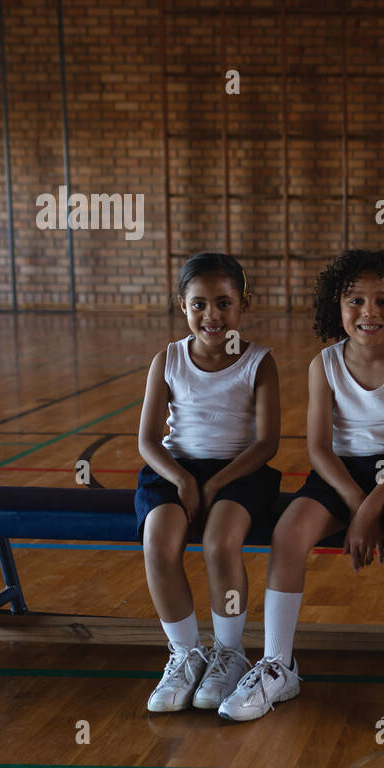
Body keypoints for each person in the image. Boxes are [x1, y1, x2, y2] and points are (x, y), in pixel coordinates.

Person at [218, 250, 384, 725]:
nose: (370, 312)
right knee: (288, 533)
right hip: (340, 471)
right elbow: (319, 448)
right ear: (335, 308)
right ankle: (279, 664)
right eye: (356, 300)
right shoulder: (325, 364)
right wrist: (359, 508)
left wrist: (371, 509)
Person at [135, 252, 281, 713]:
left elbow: (267, 442)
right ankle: (185, 652)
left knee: (220, 544)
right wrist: (182, 479)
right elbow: (147, 440)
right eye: (199, 305)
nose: (211, 316)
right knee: (159, 544)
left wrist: (215, 484)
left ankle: (229, 652)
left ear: (245, 304)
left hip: (240, 472)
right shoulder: (168, 359)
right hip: (175, 470)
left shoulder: (259, 361)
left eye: (223, 303)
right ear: (182, 306)